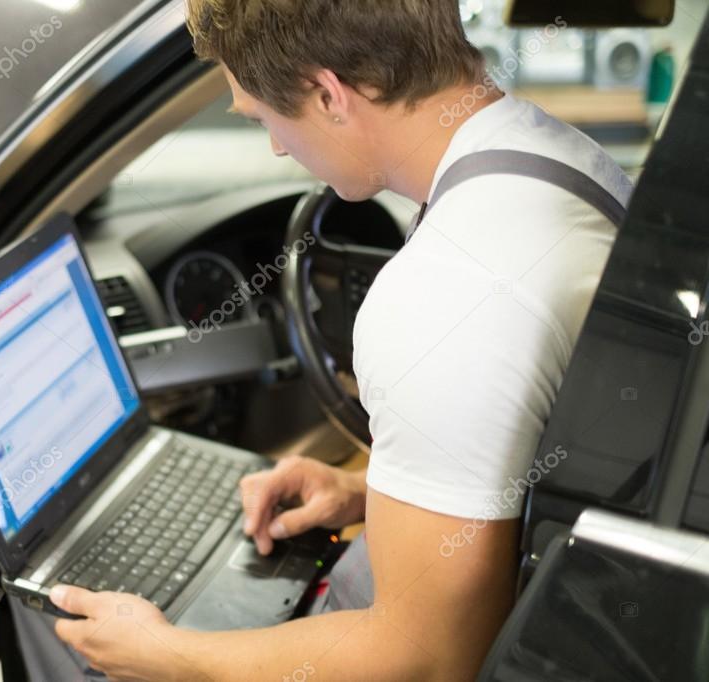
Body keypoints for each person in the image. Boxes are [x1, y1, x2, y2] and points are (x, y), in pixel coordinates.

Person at [38, 1, 633, 679]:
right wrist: (373, 497)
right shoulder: (551, 153)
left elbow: (428, 659)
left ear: (328, 95)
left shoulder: (445, 286)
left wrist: (168, 656)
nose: (275, 146)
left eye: (261, 117)